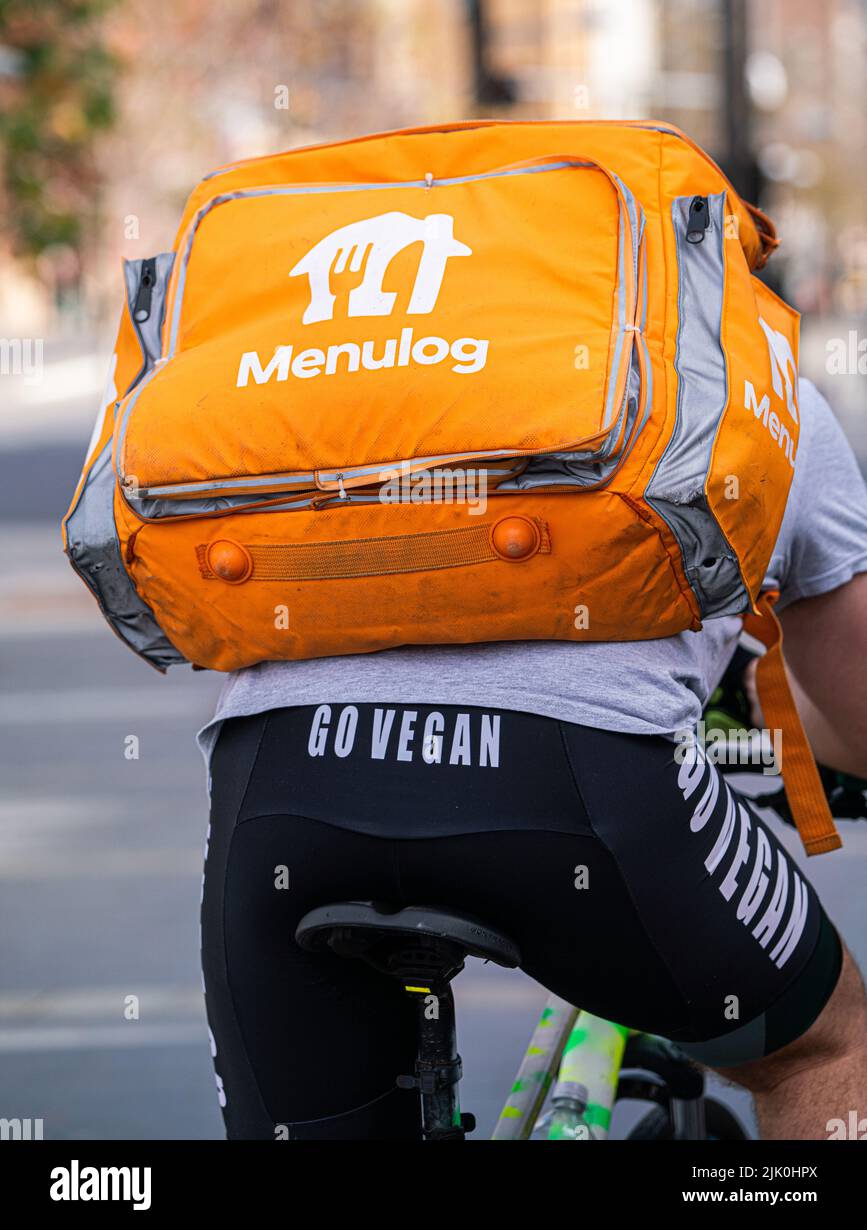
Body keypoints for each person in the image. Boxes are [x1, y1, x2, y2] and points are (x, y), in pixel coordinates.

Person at [197, 377, 867, 1140]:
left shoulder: (322, 355)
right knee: (823, 1049)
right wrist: (748, 698)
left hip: (279, 782)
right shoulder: (740, 366)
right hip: (584, 780)